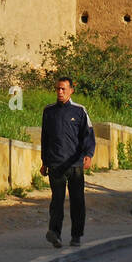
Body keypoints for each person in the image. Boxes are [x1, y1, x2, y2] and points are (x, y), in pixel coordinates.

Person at [40, 76, 96, 248]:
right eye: (57, 89)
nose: (60, 92)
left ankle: (76, 235)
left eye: (63, 89)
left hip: (75, 165)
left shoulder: (80, 111)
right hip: (56, 164)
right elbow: (45, 138)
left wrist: (88, 154)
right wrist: (44, 161)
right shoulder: (48, 111)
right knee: (56, 201)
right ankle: (55, 234)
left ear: (71, 90)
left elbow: (88, 134)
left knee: (77, 201)